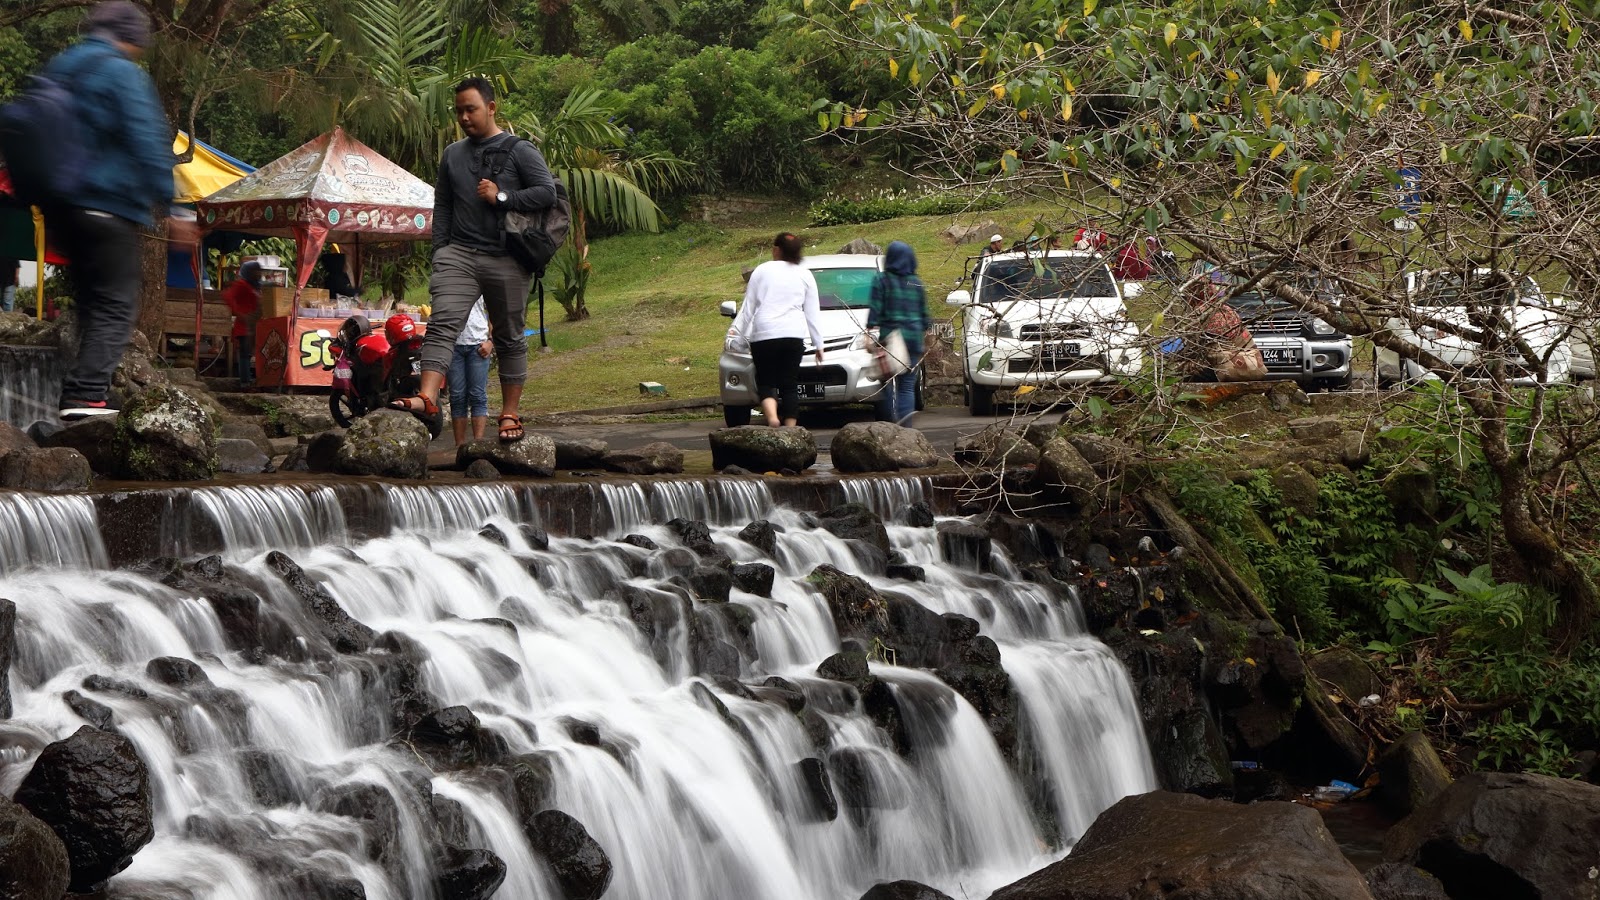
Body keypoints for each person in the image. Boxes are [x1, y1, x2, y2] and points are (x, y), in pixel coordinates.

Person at [37, 1, 195, 418]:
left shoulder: (61, 67)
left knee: (91, 302)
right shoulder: (121, 72)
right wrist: (174, 208)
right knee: (116, 304)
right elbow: (146, 140)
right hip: (105, 205)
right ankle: (86, 394)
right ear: (131, 38)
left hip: (60, 207)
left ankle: (76, 397)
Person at [393, 75, 557, 441]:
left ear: (491, 107)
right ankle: (428, 397)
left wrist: (502, 198)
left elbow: (546, 192)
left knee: (511, 337)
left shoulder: (520, 150)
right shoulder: (452, 154)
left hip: (507, 257)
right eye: (459, 111)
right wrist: (441, 251)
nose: (464, 117)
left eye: (471, 109)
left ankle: (510, 414)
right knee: (442, 324)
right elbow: (444, 205)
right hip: (459, 255)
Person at [730, 232, 824, 427]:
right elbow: (812, 312)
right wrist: (819, 344)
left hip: (764, 334)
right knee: (789, 384)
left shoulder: (762, 270)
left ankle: (772, 418)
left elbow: (748, 309)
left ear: (776, 250)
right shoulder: (805, 273)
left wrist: (738, 337)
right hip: (793, 335)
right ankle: (790, 429)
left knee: (766, 381)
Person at [867, 241, 932, 427]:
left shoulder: (882, 280)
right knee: (906, 387)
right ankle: (907, 429)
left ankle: (889, 427)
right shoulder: (916, 282)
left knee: (886, 382)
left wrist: (870, 328)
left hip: (891, 339)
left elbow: (875, 309)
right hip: (913, 340)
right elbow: (925, 316)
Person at [449, 296, 493, 445]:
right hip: (453, 345)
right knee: (457, 396)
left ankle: (478, 445)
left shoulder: (481, 279)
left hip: (478, 344)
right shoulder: (447, 282)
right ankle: (459, 446)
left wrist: (491, 341)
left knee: (478, 395)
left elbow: (495, 310)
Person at [221, 260, 263, 385]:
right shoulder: (242, 284)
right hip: (244, 325)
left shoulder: (256, 286)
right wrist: (239, 312)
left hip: (254, 325)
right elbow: (227, 296)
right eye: (256, 271)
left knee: (251, 353)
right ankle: (245, 382)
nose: (258, 273)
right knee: (245, 353)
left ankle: (252, 380)